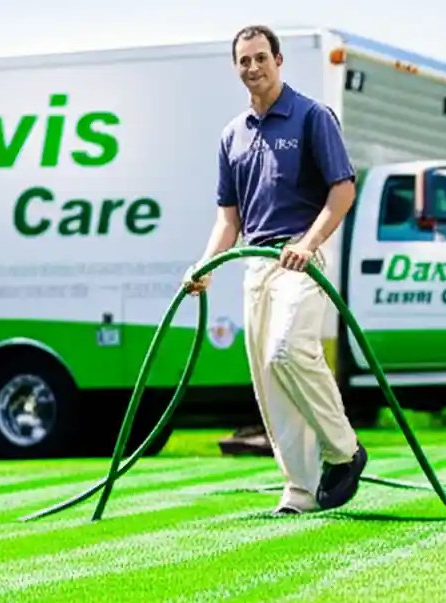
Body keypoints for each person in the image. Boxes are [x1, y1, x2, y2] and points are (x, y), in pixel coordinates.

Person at [184, 24, 367, 516]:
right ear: (236, 68)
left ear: (279, 60)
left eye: (261, 57)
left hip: (301, 260)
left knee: (288, 351)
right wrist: (205, 266)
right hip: (254, 265)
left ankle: (345, 452)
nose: (253, 68)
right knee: (268, 377)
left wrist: (308, 243)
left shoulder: (311, 117)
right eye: (244, 61)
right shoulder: (233, 135)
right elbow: (229, 219)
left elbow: (342, 190)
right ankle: (301, 491)